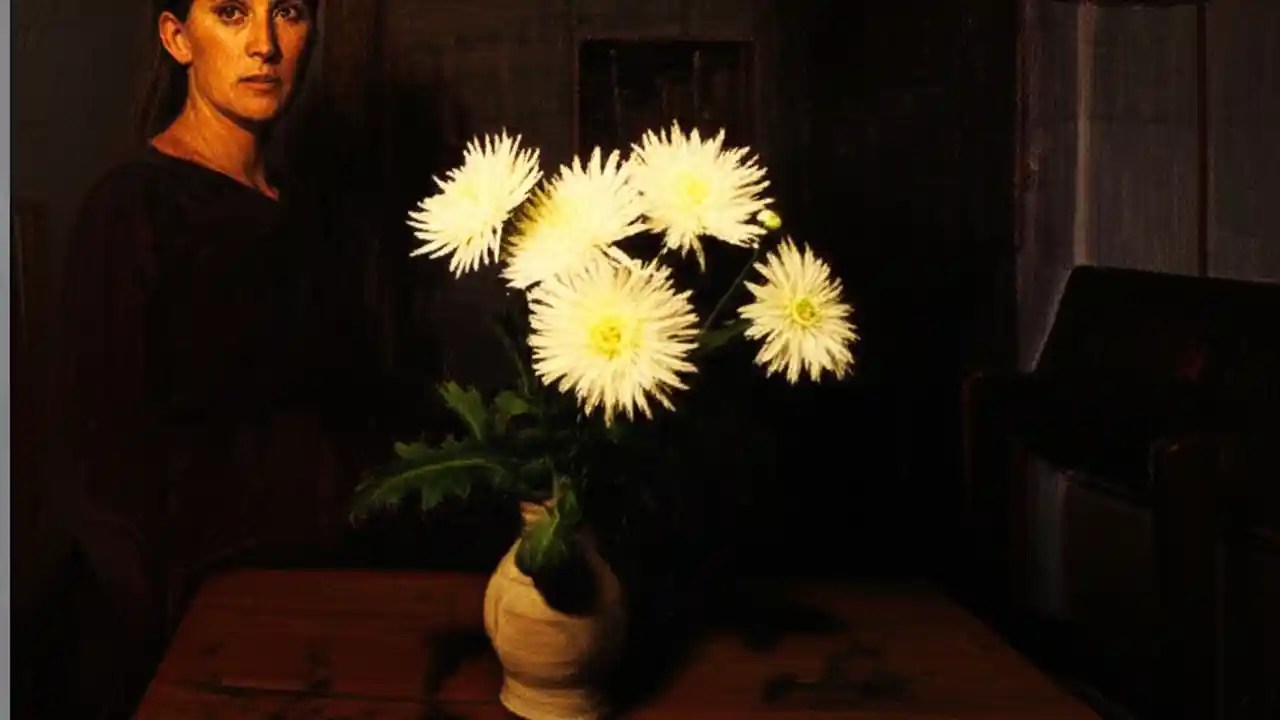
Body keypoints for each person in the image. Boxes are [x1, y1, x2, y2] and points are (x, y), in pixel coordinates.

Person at [47, 0, 382, 715]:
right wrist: (180, 644)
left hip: (319, 609)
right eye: (231, 13)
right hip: (188, 634)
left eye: (285, 12)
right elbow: (99, 471)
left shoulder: (316, 214)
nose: (264, 44)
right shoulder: (131, 211)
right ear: (177, 38)